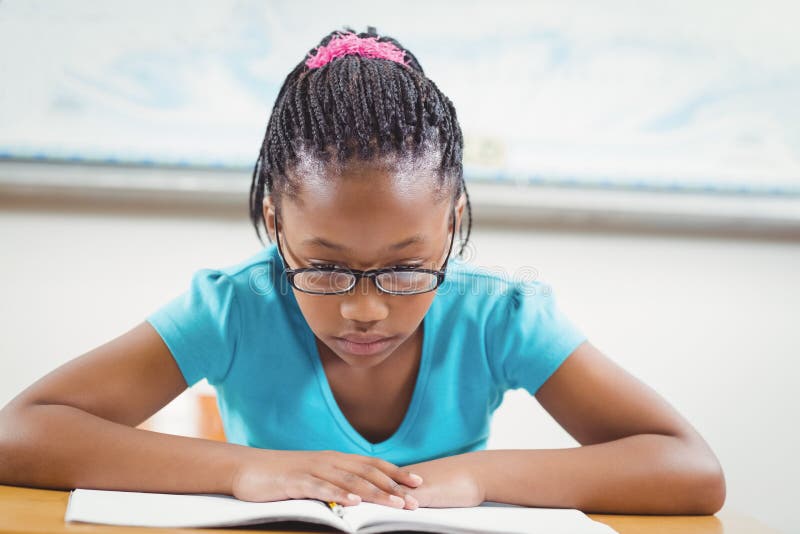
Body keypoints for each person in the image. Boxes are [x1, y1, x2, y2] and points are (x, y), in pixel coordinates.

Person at [0, 26, 725, 515]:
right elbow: (22, 432)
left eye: (408, 267)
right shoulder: (235, 309)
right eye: (324, 267)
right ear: (274, 224)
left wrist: (474, 477)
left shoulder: (500, 316)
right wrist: (242, 470)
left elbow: (690, 468)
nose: (366, 310)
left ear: (452, 226)